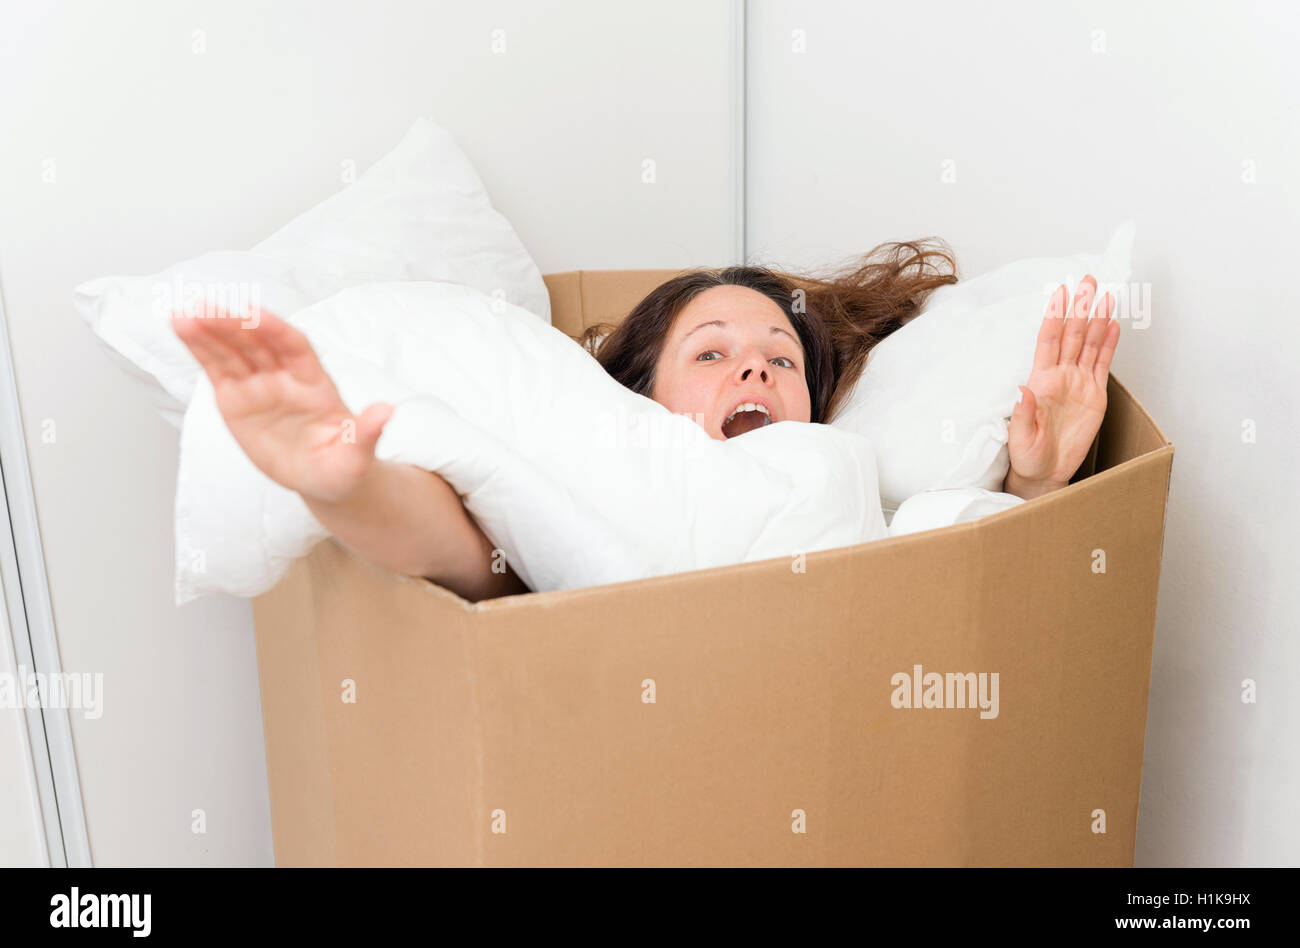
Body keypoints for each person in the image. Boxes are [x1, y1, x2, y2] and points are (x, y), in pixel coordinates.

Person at [170, 239, 1118, 603]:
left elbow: (954, 573)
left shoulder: (852, 472)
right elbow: (468, 555)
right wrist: (344, 482)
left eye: (780, 359)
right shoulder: (607, 460)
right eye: (709, 353)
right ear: (636, 394)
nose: (753, 362)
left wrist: (1035, 487)